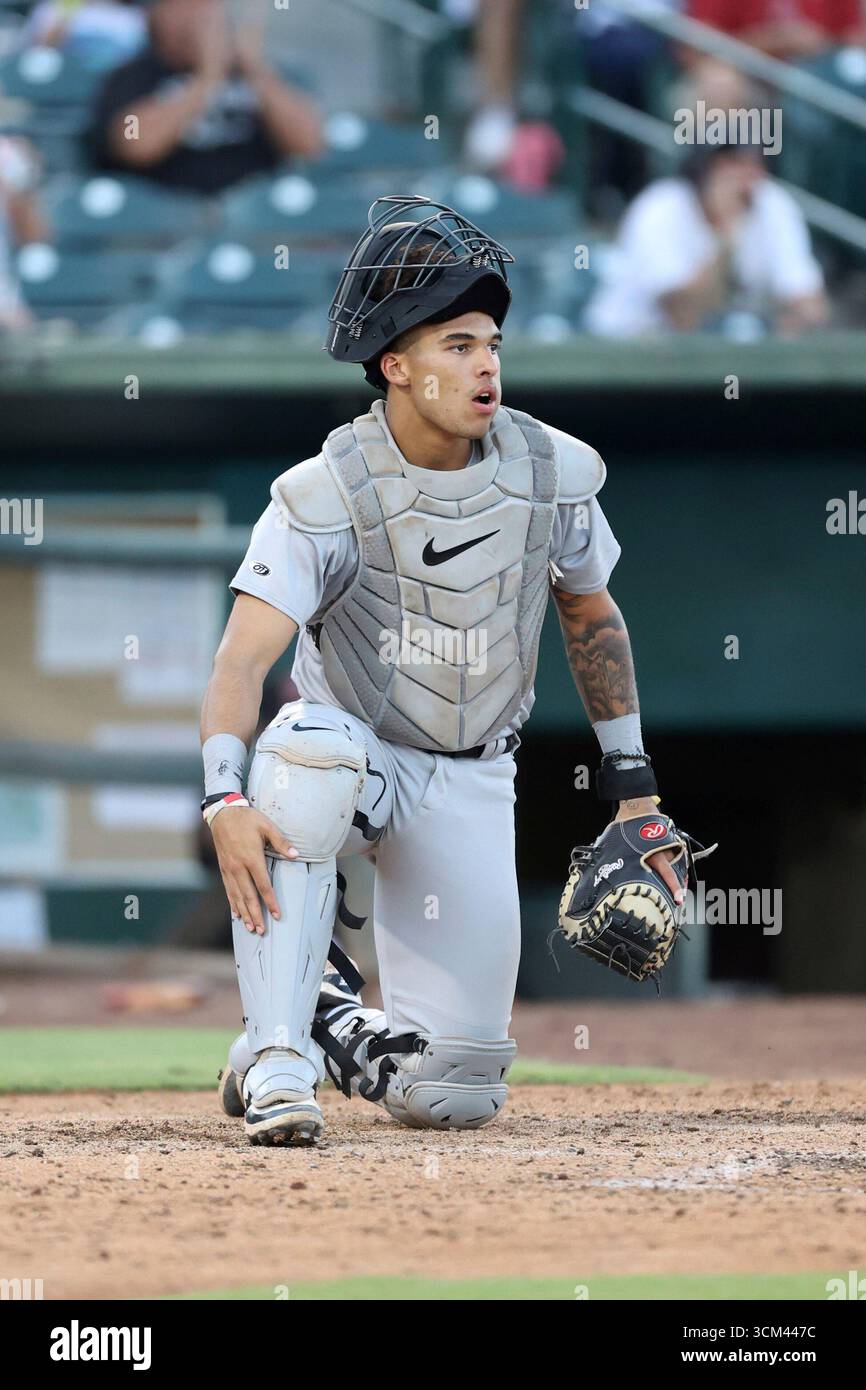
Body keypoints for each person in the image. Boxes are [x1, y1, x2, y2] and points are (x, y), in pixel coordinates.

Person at [200, 194, 682, 1146]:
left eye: (491, 342)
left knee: (457, 1093)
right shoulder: (324, 490)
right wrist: (223, 797)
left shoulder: (552, 472)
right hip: (356, 752)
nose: (486, 364)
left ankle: (334, 1016)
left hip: (474, 770)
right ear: (397, 365)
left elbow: (590, 611)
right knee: (306, 756)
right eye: (456, 345)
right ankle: (276, 1054)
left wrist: (635, 793)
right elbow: (241, 659)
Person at [585, 143, 828, 337]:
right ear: (702, 171)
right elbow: (684, 316)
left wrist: (789, 326)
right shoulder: (660, 207)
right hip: (625, 354)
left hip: (716, 359)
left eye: (753, 162)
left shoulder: (772, 203)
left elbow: (811, 306)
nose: (744, 175)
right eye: (730, 163)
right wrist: (725, 239)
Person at [85, 0, 322, 195]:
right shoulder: (130, 77)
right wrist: (206, 79)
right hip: (164, 220)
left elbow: (309, 145)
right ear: (156, 15)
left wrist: (256, 68)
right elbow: (135, 144)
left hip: (255, 211)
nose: (201, 15)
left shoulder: (259, 73)